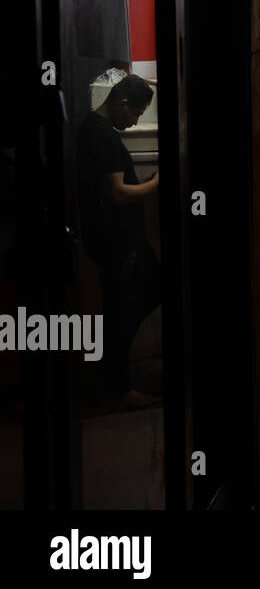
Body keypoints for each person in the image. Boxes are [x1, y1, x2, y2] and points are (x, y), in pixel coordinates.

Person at [76, 74, 161, 411]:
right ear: (122, 104)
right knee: (124, 310)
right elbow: (119, 193)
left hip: (110, 238)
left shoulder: (92, 129)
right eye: (136, 114)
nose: (136, 121)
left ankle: (111, 381)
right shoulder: (103, 137)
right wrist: (157, 185)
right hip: (116, 241)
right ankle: (115, 386)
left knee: (126, 305)